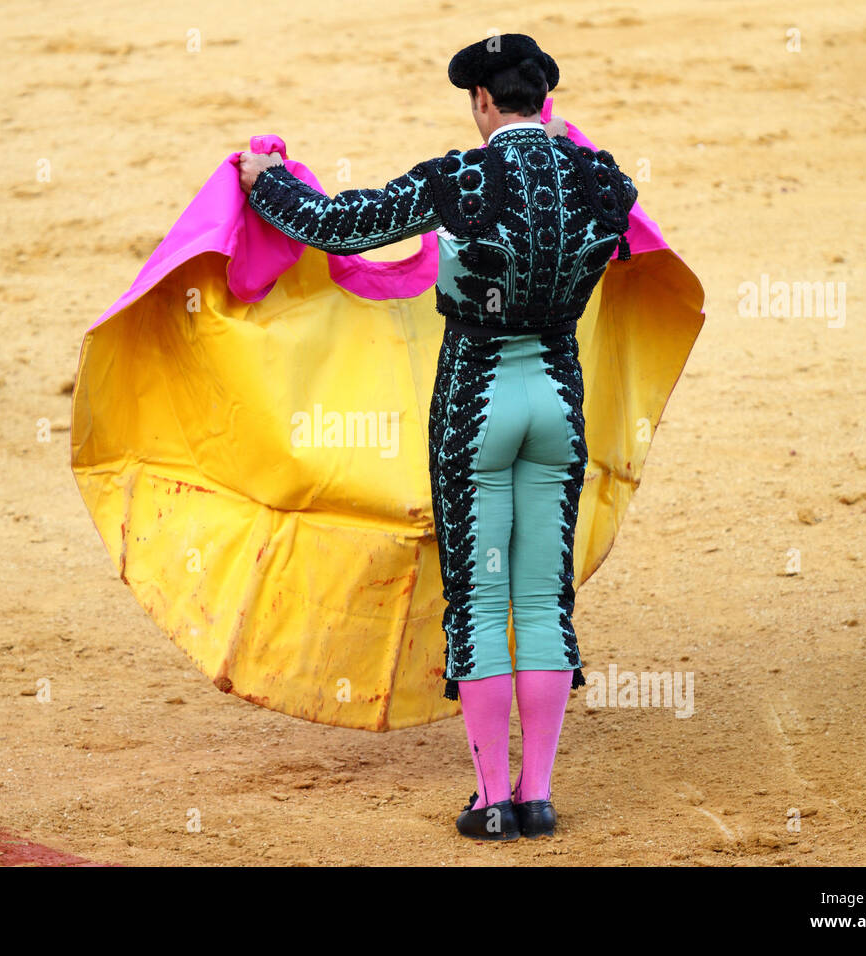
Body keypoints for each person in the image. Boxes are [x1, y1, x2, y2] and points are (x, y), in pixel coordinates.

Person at [237, 34, 638, 841]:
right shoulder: (606, 181)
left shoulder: (460, 176)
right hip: (558, 403)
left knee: (483, 602)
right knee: (543, 598)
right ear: (545, 103)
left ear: (483, 102)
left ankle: (492, 803)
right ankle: (539, 795)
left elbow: (340, 225)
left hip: (478, 404)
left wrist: (267, 184)